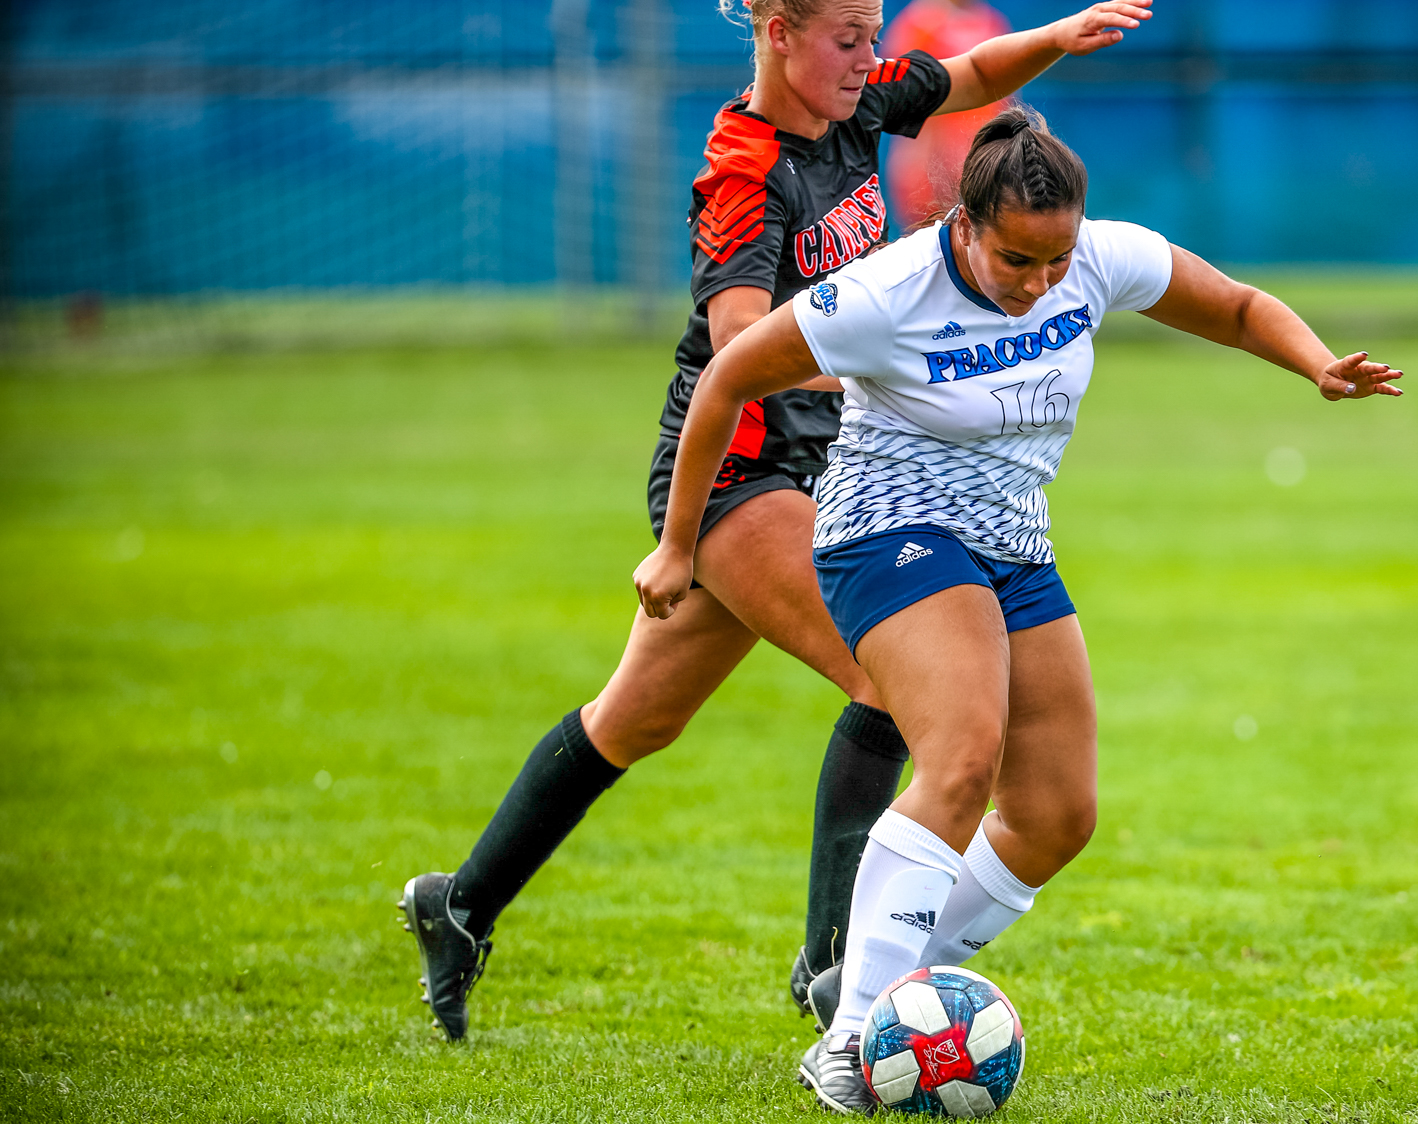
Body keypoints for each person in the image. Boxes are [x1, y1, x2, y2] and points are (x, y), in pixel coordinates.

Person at [397, 0, 1157, 1042]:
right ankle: (835, 967)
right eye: (847, 36)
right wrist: (903, 358)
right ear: (776, 32)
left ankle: (458, 906)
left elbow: (971, 76)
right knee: (893, 680)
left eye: (871, 33)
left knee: (634, 718)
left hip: (818, 461)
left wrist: (1054, 39)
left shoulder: (854, 106)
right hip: (740, 472)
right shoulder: (742, 171)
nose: (867, 56)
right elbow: (738, 345)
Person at [638, 107, 1404, 1113]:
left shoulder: (1098, 258)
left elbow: (1234, 306)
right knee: (961, 755)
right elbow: (728, 374)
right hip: (887, 529)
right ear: (964, 225)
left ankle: (880, 982)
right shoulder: (887, 292)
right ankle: (852, 1036)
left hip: (1013, 542)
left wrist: (1316, 364)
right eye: (1015, 260)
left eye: (1057, 259)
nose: (1041, 281)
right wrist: (678, 544)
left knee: (1054, 817)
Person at [883, 0, 1013, 227]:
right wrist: (922, 159)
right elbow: (902, 96)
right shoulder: (920, 23)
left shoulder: (992, 22)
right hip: (931, 159)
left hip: (980, 154)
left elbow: (1004, 98)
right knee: (930, 231)